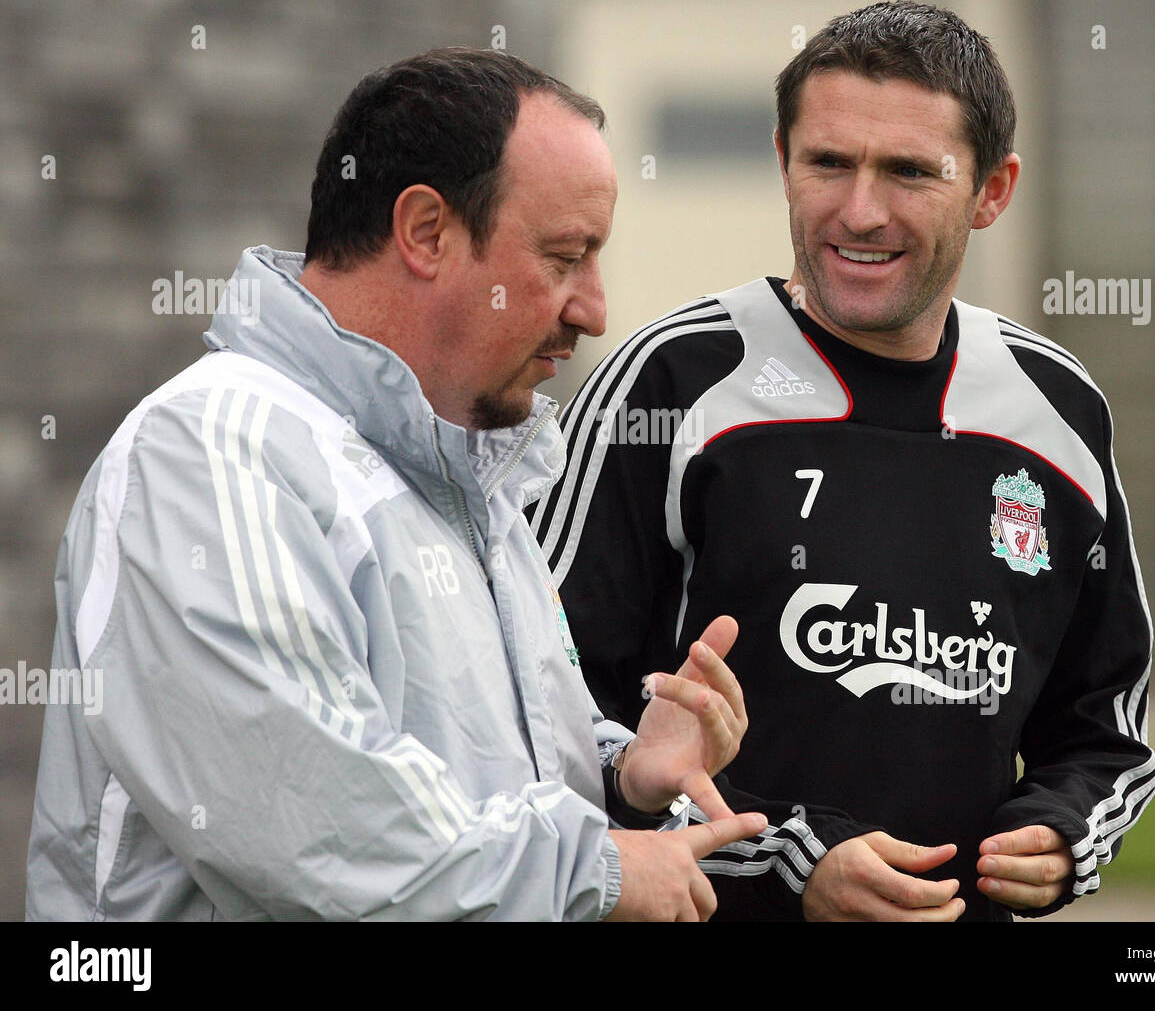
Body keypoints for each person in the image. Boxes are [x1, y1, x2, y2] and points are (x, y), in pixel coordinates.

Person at [25, 48, 768, 922]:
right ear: (424, 231)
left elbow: (474, 770)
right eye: (566, 256)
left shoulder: (466, 468)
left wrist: (622, 774)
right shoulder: (213, 453)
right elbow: (325, 835)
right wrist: (598, 873)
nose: (595, 309)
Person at [531, 1, 1155, 921]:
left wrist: (1065, 830)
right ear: (783, 158)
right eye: (829, 163)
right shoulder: (669, 383)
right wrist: (789, 860)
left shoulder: (1057, 409)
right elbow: (537, 707)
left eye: (909, 171)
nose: (861, 211)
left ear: (992, 190)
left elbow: (1108, 729)